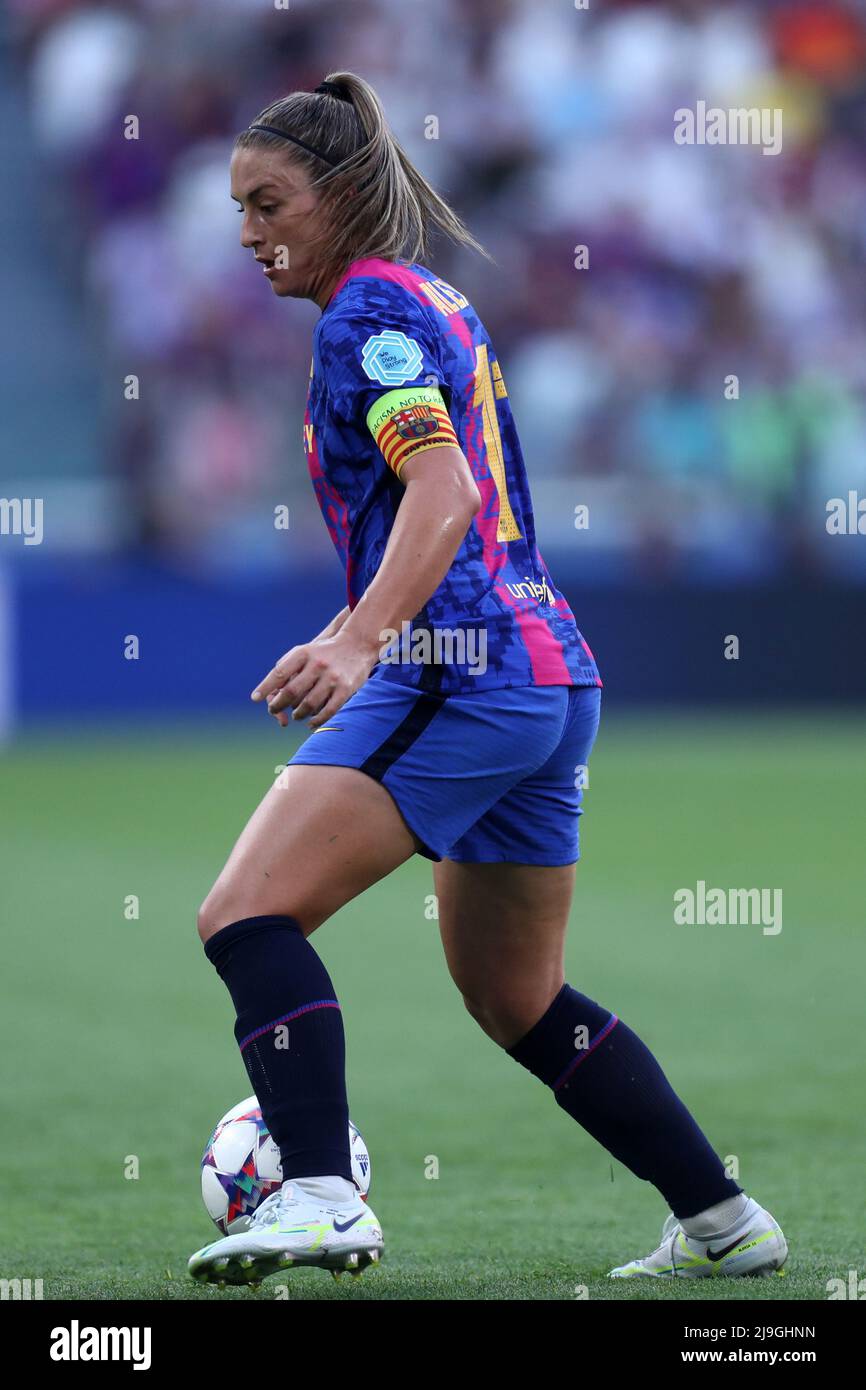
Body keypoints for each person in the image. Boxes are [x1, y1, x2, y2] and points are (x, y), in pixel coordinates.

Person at [188, 73, 787, 1286]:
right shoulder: (426, 296)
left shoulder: (363, 315)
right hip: (546, 673)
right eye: (238, 207)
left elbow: (444, 489)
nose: (247, 231)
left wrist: (359, 636)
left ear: (342, 195)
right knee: (516, 994)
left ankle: (316, 1194)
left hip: (458, 670)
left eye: (267, 202)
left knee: (244, 914)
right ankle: (723, 1221)